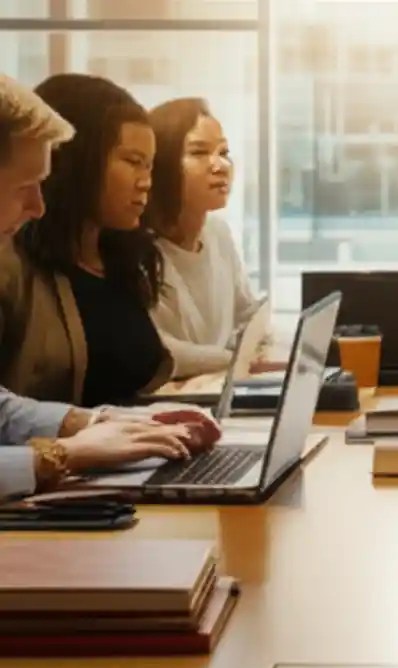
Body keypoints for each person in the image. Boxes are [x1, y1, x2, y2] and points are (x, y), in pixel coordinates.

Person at [0, 74, 218, 498]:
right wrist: (62, 454)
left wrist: (98, 423)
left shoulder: (123, 256)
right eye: (25, 187)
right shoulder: (13, 266)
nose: (38, 206)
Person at [0, 74, 172, 407]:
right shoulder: (13, 265)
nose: (145, 182)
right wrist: (80, 426)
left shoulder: (120, 257)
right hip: (69, 440)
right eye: (133, 162)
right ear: (77, 161)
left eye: (149, 166)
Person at [144, 97, 270, 379]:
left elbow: (248, 317)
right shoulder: (137, 248)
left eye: (224, 152)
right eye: (199, 152)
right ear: (160, 163)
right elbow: (158, 348)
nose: (220, 165)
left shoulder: (218, 233)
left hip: (217, 389)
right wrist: (234, 359)